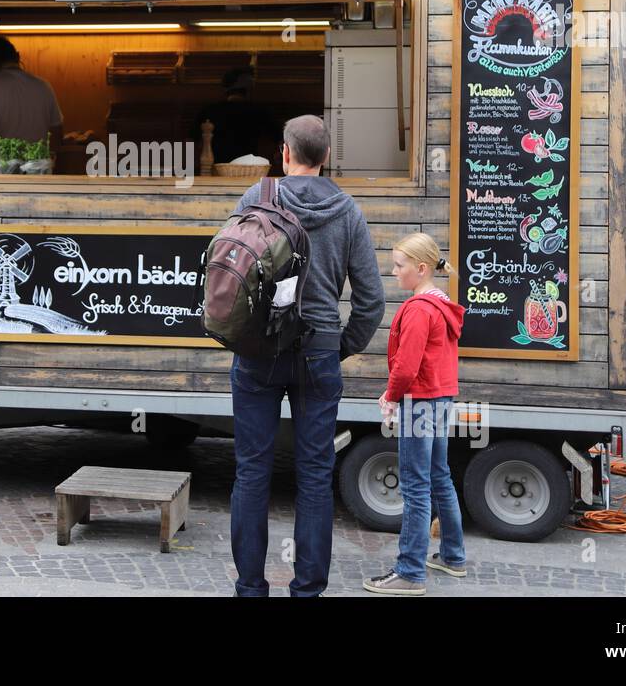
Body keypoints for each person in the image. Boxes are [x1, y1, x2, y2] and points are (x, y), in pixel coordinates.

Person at [229, 114, 384, 597]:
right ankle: (307, 590)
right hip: (318, 351)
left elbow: (228, 269)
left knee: (252, 471)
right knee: (315, 475)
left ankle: (251, 588)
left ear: (284, 153)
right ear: (327, 158)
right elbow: (372, 300)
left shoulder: (257, 197)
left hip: (258, 351)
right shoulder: (348, 211)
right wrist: (341, 346)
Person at [365, 233, 466, 596]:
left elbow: (406, 366)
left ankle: (409, 571)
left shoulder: (419, 309)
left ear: (421, 268)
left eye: (399, 265)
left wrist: (391, 397)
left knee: (415, 486)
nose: (394, 272)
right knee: (439, 476)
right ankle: (452, 556)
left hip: (419, 401)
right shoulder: (441, 305)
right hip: (440, 398)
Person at [0, 37, 63, 163]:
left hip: (2, 169)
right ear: (17, 56)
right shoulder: (43, 86)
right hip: (37, 170)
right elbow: (57, 132)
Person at [194, 67, 280, 167]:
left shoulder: (209, 111)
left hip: (215, 168)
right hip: (249, 170)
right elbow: (279, 138)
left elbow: (191, 140)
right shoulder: (260, 111)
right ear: (249, 89)